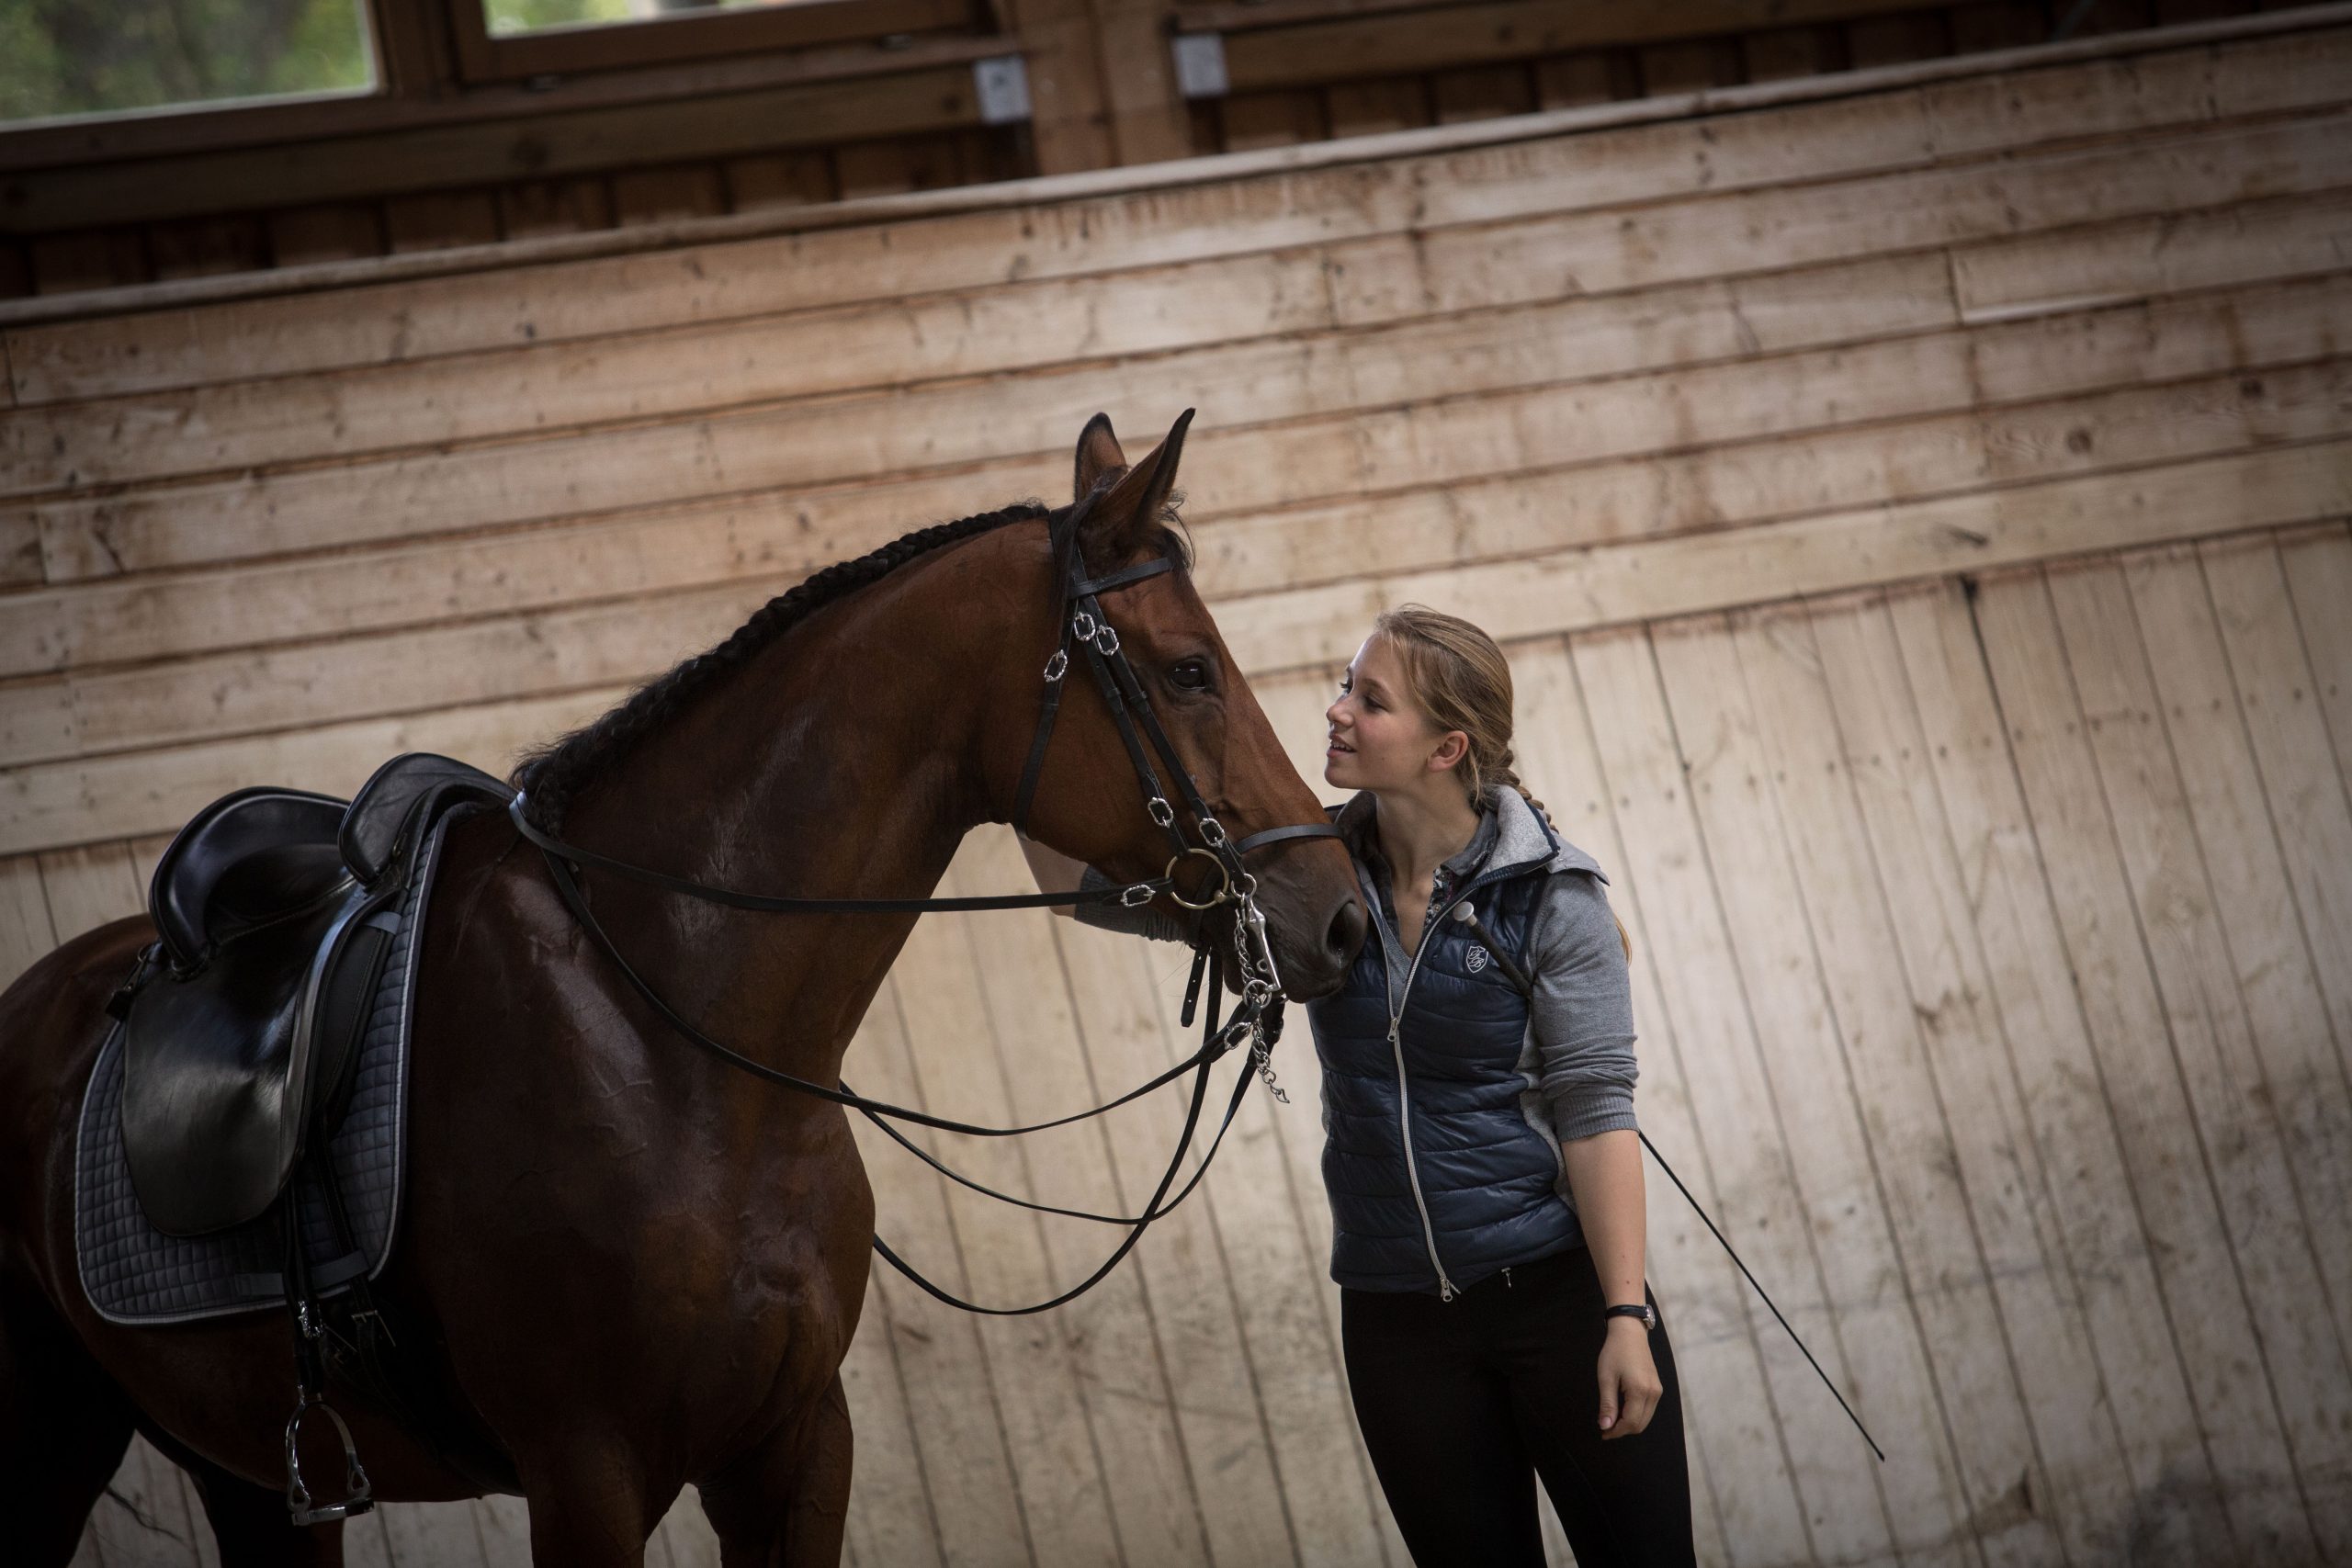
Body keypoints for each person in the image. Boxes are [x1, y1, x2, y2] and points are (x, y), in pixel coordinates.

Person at [1020, 604, 1698, 1566]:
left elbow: (1594, 1116)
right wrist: (1023, 766)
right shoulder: (1306, 881)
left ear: (1443, 747)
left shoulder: (1553, 898)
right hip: (1396, 1325)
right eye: (1346, 684)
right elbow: (1080, 885)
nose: (1335, 710)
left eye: (1368, 700)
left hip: (1556, 1303)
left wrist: (1624, 1315)